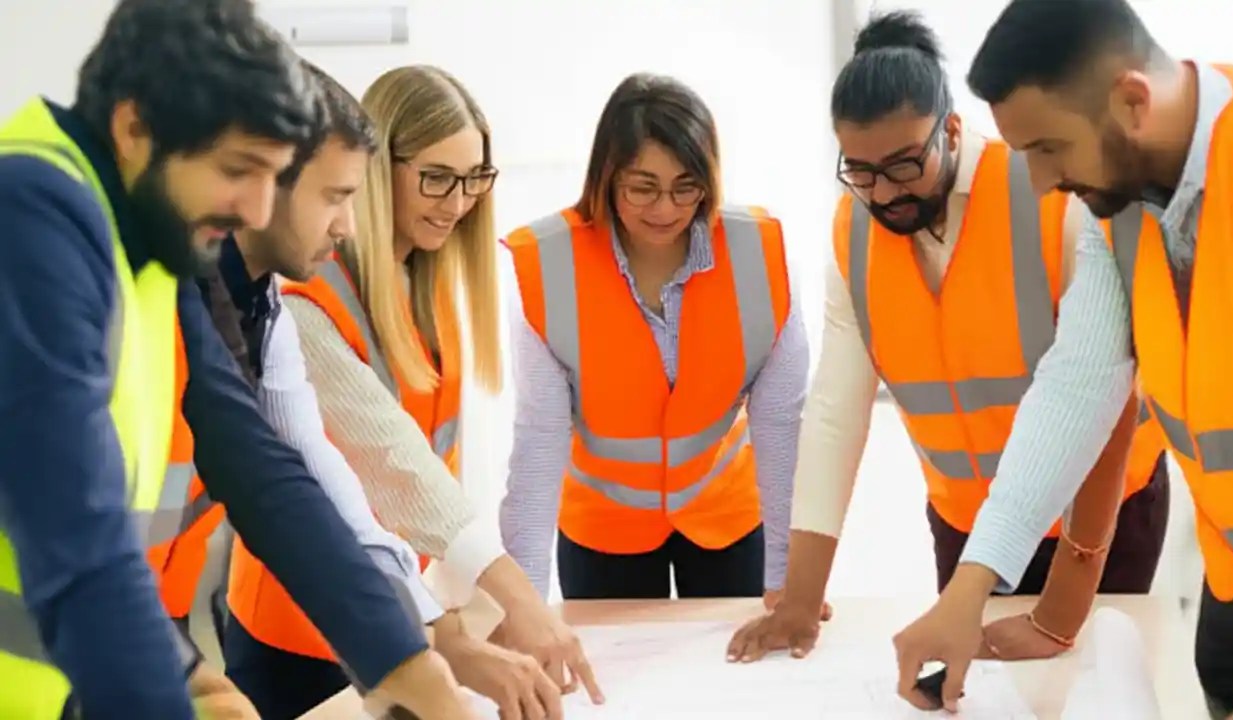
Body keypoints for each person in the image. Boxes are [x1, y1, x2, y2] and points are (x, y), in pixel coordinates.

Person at [0, 1, 473, 718]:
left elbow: (254, 459)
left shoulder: (150, 232)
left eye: (275, 175)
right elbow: (75, 527)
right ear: (135, 126)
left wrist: (400, 658)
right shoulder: (30, 218)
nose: (257, 209)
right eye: (238, 170)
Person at [726, 10, 1169, 666]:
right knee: (973, 692)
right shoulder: (852, 234)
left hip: (1102, 518)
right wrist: (800, 596)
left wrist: (1067, 596)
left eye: (905, 165)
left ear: (952, 129)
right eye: (861, 171)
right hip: (965, 526)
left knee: (1090, 686)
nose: (885, 192)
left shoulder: (1051, 189)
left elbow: (1104, 392)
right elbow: (833, 414)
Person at [888, 1, 1233, 718]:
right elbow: (1075, 388)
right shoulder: (1118, 203)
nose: (1038, 184)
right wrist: (971, 587)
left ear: (1132, 100)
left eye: (1047, 150)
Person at [230, 63, 603, 714]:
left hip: (395, 610)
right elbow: (393, 468)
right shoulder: (305, 301)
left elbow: (436, 480)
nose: (458, 202)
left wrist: (460, 622)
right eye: (437, 177)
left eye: (474, 180)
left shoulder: (427, 290)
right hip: (304, 635)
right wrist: (512, 600)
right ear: (378, 169)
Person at [501, 73, 809, 606]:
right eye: (642, 187)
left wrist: (787, 576)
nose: (665, 209)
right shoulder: (546, 265)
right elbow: (537, 444)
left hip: (728, 518)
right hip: (602, 529)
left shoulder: (761, 255)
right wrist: (523, 606)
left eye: (686, 186)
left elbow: (782, 428)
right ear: (604, 176)